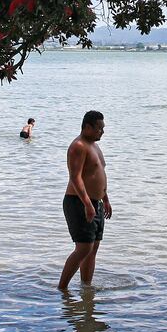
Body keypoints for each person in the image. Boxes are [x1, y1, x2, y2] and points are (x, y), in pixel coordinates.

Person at [60, 111, 110, 291]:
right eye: (99, 128)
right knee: (83, 249)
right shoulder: (78, 146)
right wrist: (88, 203)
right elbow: (76, 177)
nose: (102, 132)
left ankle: (86, 288)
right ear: (87, 127)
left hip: (96, 203)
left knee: (92, 249)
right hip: (78, 202)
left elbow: (97, 174)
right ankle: (62, 289)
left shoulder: (94, 145)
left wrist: (105, 198)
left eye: (103, 128)